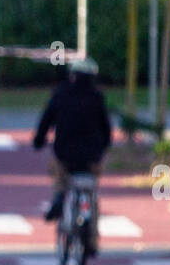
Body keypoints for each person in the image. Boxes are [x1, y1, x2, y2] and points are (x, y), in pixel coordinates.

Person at [33, 57, 112, 253]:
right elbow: (106, 129)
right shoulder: (97, 97)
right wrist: (103, 148)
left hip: (65, 154)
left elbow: (46, 121)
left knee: (59, 176)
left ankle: (60, 196)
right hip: (92, 157)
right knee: (92, 194)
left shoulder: (60, 94)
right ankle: (92, 241)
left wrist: (39, 140)